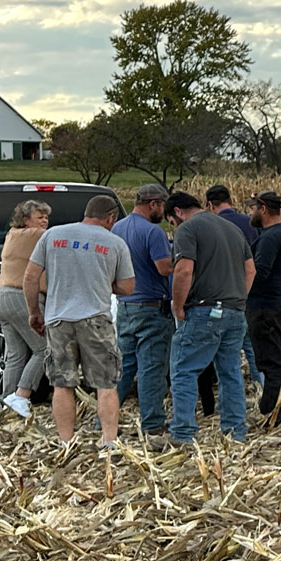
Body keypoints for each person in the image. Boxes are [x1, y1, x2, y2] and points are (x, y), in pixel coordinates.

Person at [22, 194, 135, 447]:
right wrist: (103, 282)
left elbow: (30, 277)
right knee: (106, 384)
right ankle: (109, 441)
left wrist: (34, 312)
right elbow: (128, 287)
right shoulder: (115, 243)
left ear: (86, 212)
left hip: (59, 320)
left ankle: (66, 442)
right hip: (96, 320)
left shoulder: (52, 235)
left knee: (62, 384)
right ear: (111, 218)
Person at [166, 191, 254, 444]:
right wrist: (238, 298)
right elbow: (250, 270)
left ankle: (183, 432)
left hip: (204, 310)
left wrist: (178, 307)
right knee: (230, 372)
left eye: (171, 221)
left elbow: (184, 270)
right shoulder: (233, 229)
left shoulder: (187, 229)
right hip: (235, 311)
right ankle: (235, 431)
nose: (173, 226)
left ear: (178, 212)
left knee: (183, 369)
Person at [112, 183, 175, 444]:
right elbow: (164, 268)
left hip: (125, 305)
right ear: (153, 204)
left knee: (124, 366)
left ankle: (104, 419)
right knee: (152, 367)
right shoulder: (153, 232)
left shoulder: (117, 228)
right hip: (151, 308)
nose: (164, 212)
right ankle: (152, 423)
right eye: (163, 206)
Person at [0, 199, 51, 418]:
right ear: (26, 220)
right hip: (19, 298)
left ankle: (8, 402)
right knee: (44, 349)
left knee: (16, 354)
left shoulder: (12, 234)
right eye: (40, 217)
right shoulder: (35, 235)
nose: (45, 221)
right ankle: (21, 395)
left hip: (0, 297)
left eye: (46, 217)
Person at [246, 191, 281, 424]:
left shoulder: (269, 237)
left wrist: (240, 289)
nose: (250, 213)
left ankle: (275, 414)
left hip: (266, 307)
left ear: (263, 209)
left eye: (253, 208)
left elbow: (260, 273)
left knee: (271, 362)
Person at [204, 184, 259, 387]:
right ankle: (260, 384)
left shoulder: (210, 225)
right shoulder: (250, 223)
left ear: (210, 205)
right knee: (251, 344)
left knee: (223, 347)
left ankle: (223, 384)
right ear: (231, 201)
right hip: (248, 288)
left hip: (221, 293)